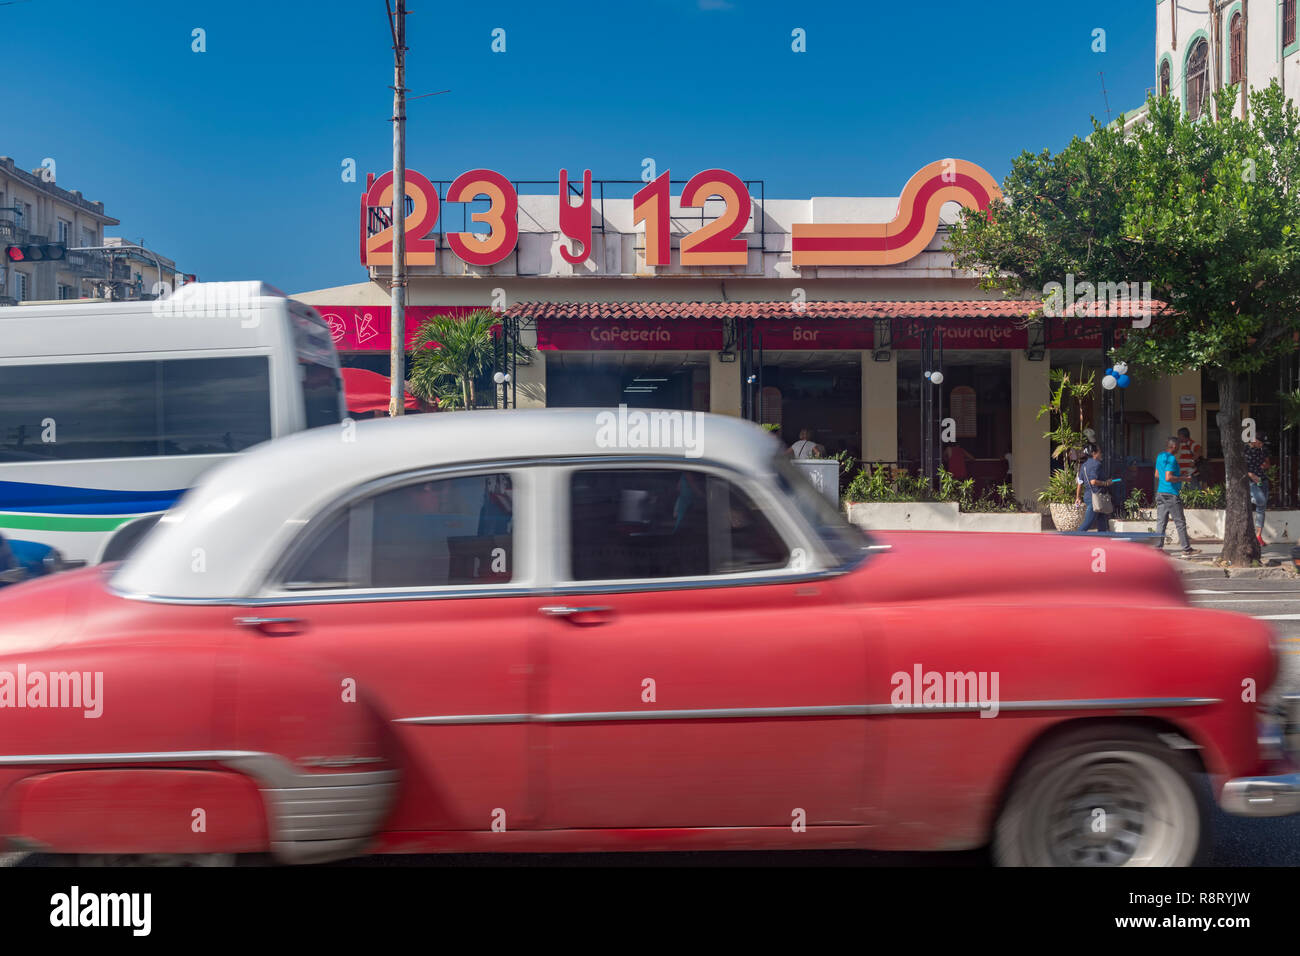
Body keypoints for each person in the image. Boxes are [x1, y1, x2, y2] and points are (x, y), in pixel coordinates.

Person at [1155, 436, 1199, 556]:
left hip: (1160, 492)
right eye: (1178, 447)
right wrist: (1184, 478)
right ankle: (1186, 549)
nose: (1179, 449)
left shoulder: (1160, 456)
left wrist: (1178, 475)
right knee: (1180, 522)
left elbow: (1157, 475)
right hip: (1171, 493)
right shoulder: (1171, 458)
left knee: (1161, 522)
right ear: (1174, 446)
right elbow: (1169, 477)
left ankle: (1158, 548)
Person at [1078, 444, 1122, 532]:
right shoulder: (1096, 464)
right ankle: (1072, 538)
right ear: (1094, 453)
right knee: (1088, 523)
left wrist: (1077, 497)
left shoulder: (1084, 465)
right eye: (1099, 452)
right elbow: (1093, 481)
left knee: (1102, 521)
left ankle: (1102, 538)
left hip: (1089, 496)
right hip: (1095, 497)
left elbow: (1080, 482)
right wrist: (1106, 483)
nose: (1101, 454)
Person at [1245, 434, 1269, 547]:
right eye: (1259, 443)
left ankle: (1258, 535)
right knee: (1261, 501)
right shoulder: (1245, 450)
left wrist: (1265, 465)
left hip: (1263, 480)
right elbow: (1240, 467)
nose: (1261, 445)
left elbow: (1267, 463)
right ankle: (1249, 499)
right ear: (1254, 440)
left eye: (1262, 444)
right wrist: (1251, 475)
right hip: (1252, 481)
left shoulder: (1263, 450)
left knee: (1262, 508)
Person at [1176, 427, 1202, 491]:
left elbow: (1199, 449)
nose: (1178, 437)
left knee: (1195, 492)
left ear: (1182, 435)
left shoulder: (1191, 443)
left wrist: (1193, 461)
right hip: (1185, 474)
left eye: (1179, 435)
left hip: (1190, 474)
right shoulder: (1183, 444)